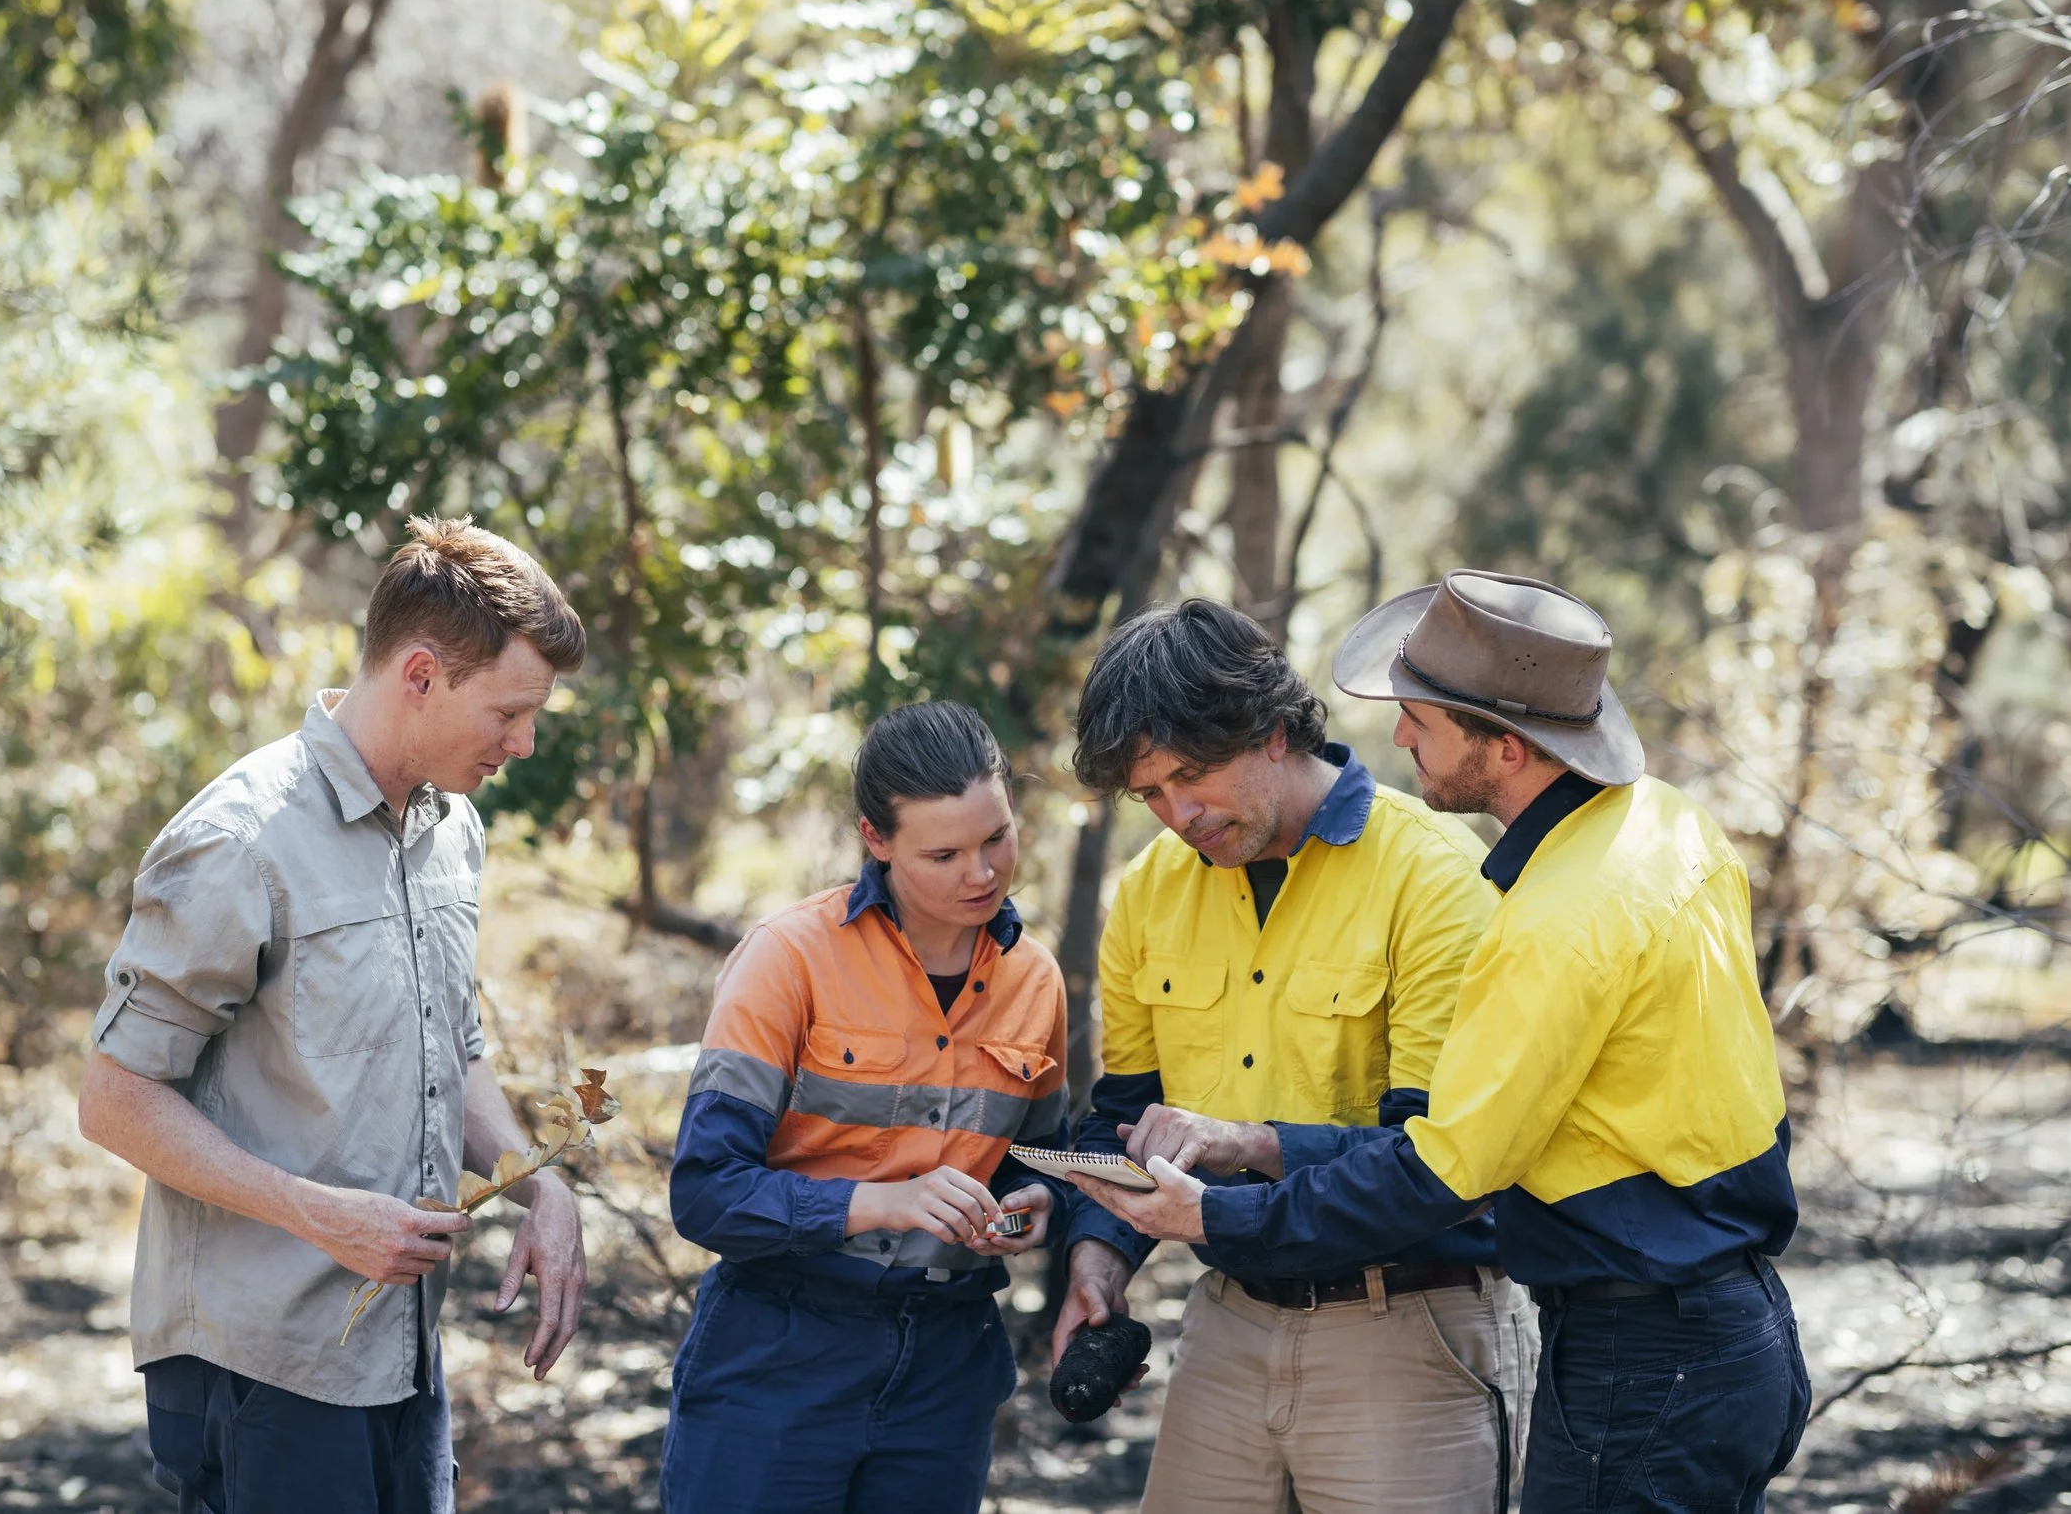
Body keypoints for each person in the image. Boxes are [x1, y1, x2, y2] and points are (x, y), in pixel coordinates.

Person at [1072, 571, 1808, 1514]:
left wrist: (1218, 1215)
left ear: (1505, 743)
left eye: (1421, 716)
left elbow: (1444, 1174)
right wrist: (1241, 1151)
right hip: (1716, 1324)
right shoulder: (1672, 824)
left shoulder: (1545, 916)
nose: (1399, 735)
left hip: (1634, 1346)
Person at [77, 517, 591, 1514]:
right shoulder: (240, 839)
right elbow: (112, 1097)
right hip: (260, 1362)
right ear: (419, 674)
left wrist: (538, 1184)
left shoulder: (452, 830)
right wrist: (316, 1213)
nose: (523, 742)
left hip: (399, 1350)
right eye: (509, 711)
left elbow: (453, 1046)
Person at [1055, 599, 1534, 1514]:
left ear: (1274, 730)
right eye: (1150, 793)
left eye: (1192, 775)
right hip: (1227, 1321)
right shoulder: (1150, 889)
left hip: (1414, 1326)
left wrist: (1244, 1145)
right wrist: (1101, 1256)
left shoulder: (1437, 876)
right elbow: (1128, 1115)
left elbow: (1441, 1161)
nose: (1177, 814)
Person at [662, 701, 1075, 1514]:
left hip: (947, 1371)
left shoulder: (1037, 981)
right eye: (945, 853)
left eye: (996, 837)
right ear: (876, 841)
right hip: (779, 1354)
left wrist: (1038, 1204)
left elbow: (1043, 1159)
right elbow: (705, 1190)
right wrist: (881, 1201)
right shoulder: (787, 958)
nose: (981, 873)